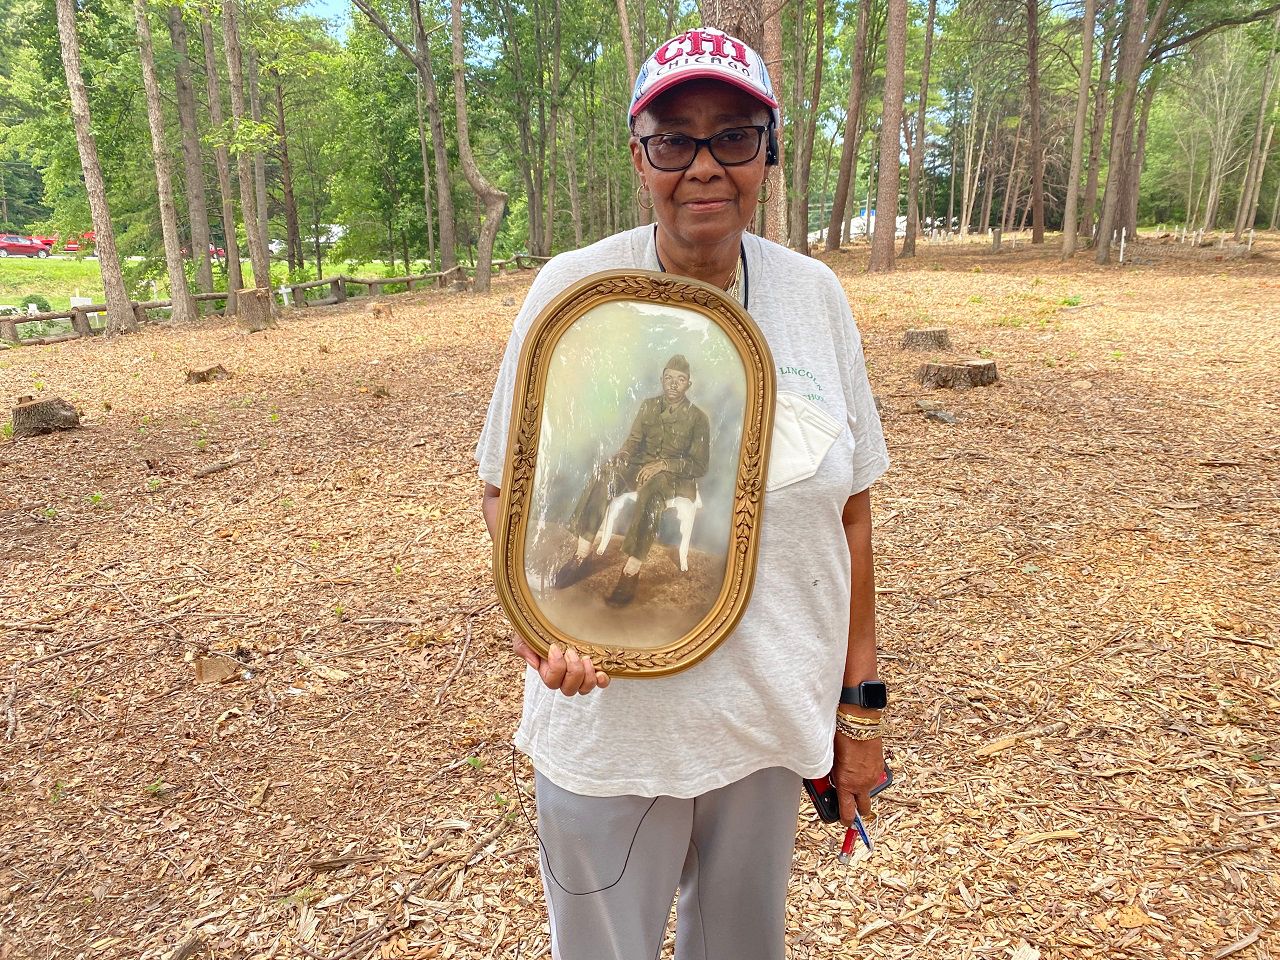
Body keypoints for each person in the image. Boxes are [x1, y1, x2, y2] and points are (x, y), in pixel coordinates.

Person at [476, 26, 890, 960]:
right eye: (675, 139)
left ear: (768, 155)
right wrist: (542, 630)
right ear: (641, 156)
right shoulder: (575, 295)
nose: (704, 166)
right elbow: (507, 490)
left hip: (766, 716)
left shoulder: (812, 296)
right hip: (614, 724)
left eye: (733, 137)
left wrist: (858, 707)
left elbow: (852, 509)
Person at [557, 353, 711, 606]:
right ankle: (581, 555)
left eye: (680, 379)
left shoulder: (698, 418)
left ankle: (631, 570)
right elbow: (634, 441)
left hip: (675, 477)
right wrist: (624, 454)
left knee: (652, 491)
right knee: (605, 472)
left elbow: (700, 465)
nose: (673, 384)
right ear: (662, 379)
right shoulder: (649, 406)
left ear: (688, 385)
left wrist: (663, 464)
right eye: (669, 378)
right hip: (640, 467)